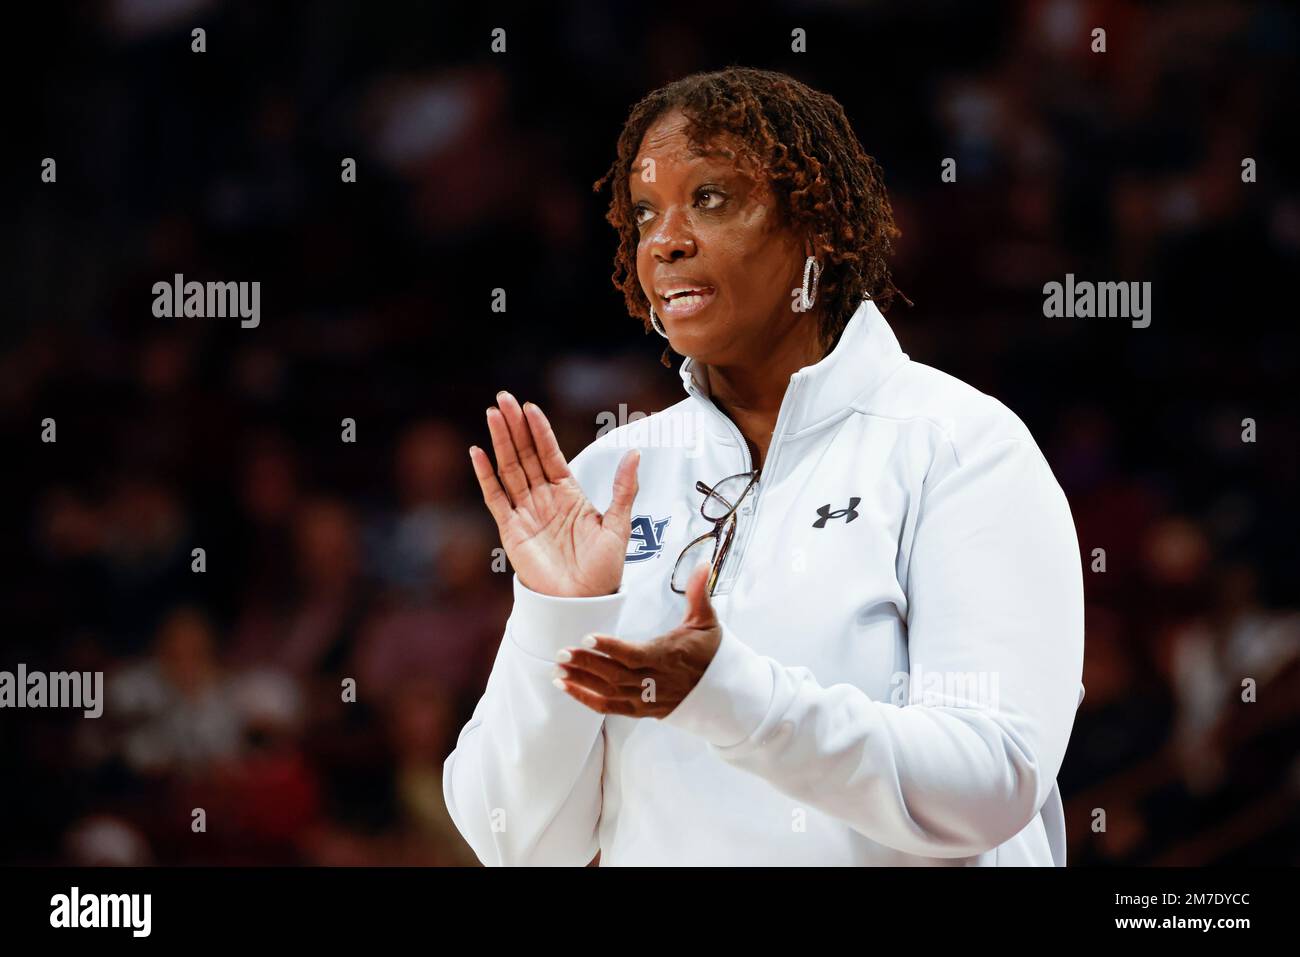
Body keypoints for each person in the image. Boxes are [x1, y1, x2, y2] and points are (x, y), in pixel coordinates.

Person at [443, 67, 1085, 866]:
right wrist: (557, 617)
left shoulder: (959, 446)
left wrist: (732, 696)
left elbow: (991, 779)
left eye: (710, 199)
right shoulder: (611, 474)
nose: (665, 239)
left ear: (817, 224)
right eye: (646, 213)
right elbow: (515, 841)